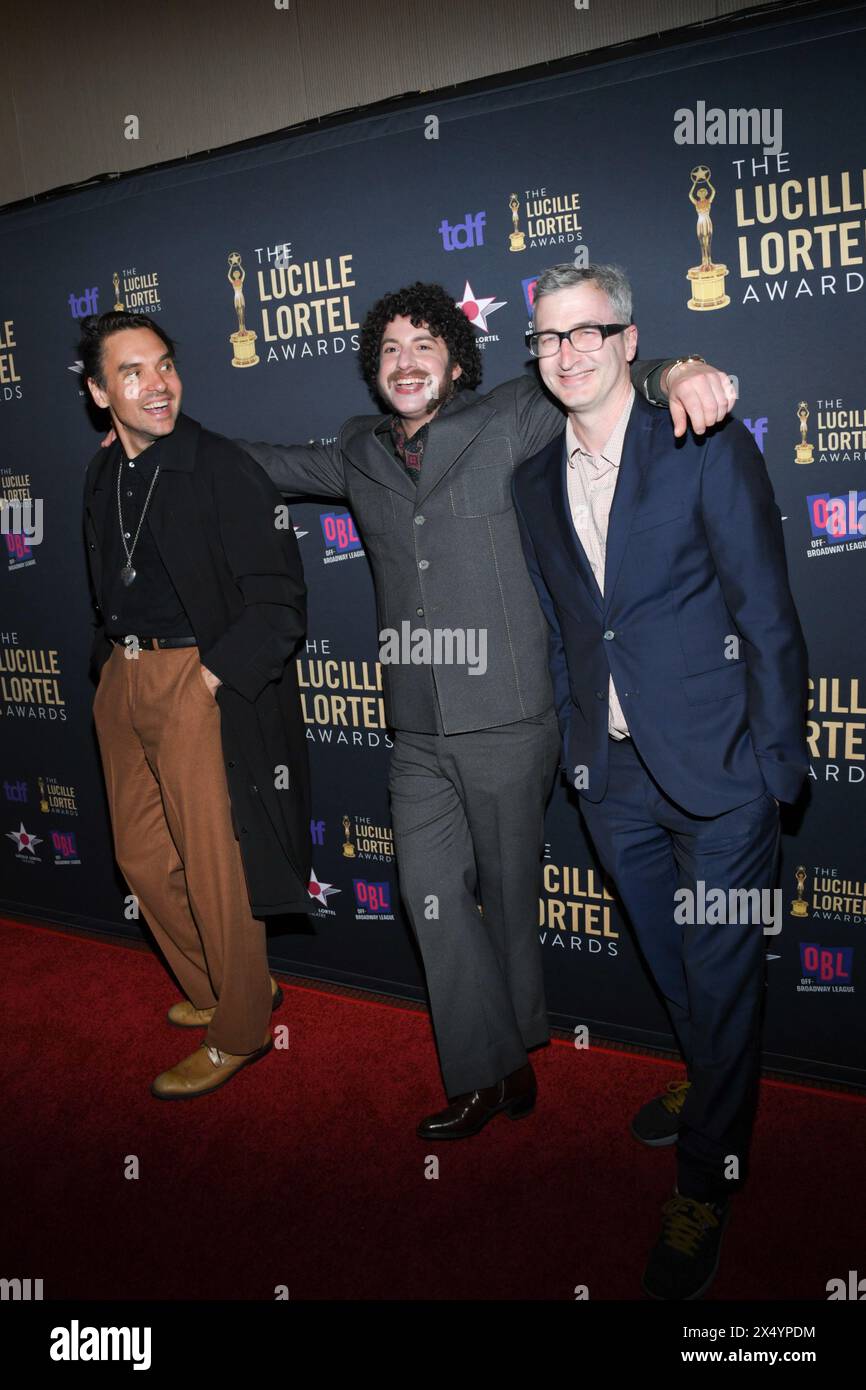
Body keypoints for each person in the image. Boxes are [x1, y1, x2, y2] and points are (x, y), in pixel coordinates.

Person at [236, 281, 736, 1139]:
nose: (406, 362)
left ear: (457, 362)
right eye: (390, 349)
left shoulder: (511, 415)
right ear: (373, 369)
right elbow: (265, 463)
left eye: (424, 345)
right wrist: (164, 439)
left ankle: (513, 1062)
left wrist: (680, 372)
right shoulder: (359, 450)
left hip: (510, 715)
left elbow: (609, 376)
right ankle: (489, 1069)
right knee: (427, 895)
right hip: (417, 728)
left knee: (508, 902)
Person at [511, 263, 808, 1299]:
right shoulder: (529, 482)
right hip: (614, 781)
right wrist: (579, 751)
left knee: (723, 974)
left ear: (629, 339)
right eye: (548, 336)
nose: (569, 350)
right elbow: (566, 630)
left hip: (723, 775)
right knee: (672, 958)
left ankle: (704, 1176)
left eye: (589, 330)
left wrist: (776, 760)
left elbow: (763, 608)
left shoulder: (697, 439)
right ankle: (715, 1082)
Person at [82, 310, 311, 1100]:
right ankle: (221, 985)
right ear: (98, 392)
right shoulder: (106, 471)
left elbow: (279, 599)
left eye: (166, 365)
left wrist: (208, 680)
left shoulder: (221, 467)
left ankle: (242, 1027)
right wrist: (113, 669)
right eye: (132, 372)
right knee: (143, 859)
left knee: (215, 867)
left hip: (194, 678)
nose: (158, 384)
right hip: (122, 675)